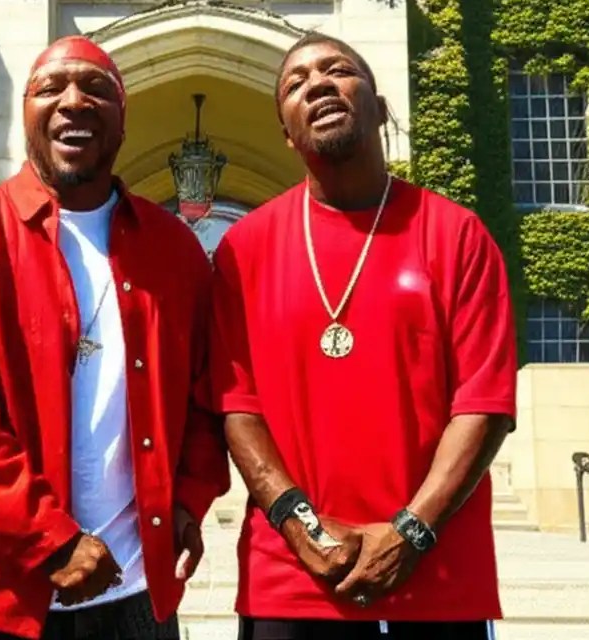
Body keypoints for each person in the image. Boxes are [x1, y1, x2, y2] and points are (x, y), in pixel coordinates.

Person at [0, 36, 230, 640]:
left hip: (135, 587)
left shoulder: (174, 249)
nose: (73, 101)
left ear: (122, 121)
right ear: (25, 113)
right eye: (50, 88)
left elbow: (206, 398)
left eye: (96, 89)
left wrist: (189, 499)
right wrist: (50, 540)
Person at [210, 31, 517, 640]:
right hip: (292, 578)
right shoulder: (243, 250)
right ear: (286, 132)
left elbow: (484, 405)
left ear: (379, 106)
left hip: (437, 578)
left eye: (339, 71)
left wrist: (413, 531)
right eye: (295, 84)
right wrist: (302, 527)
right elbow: (235, 405)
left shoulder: (456, 234)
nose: (317, 84)